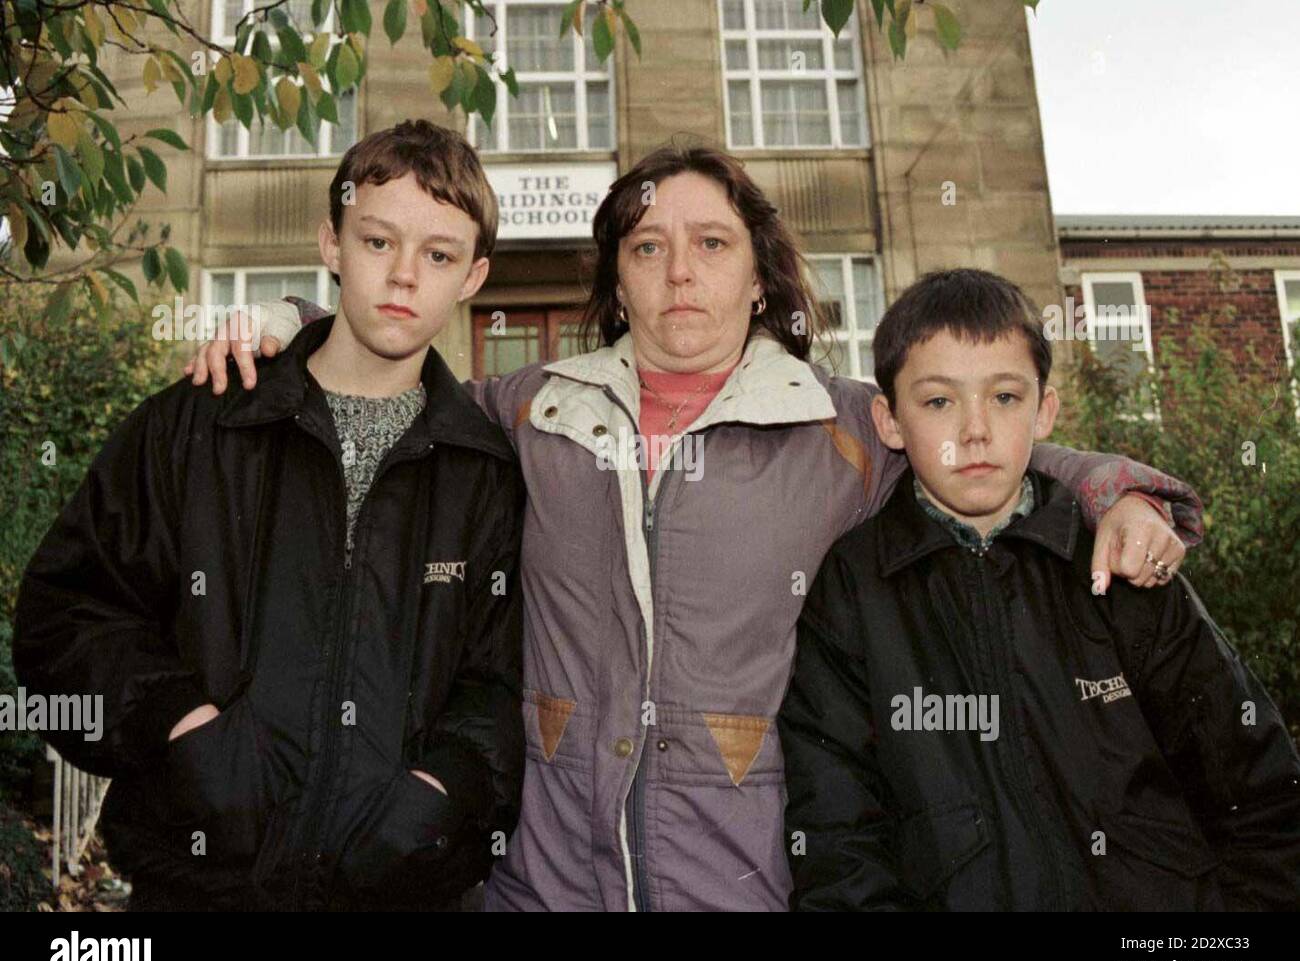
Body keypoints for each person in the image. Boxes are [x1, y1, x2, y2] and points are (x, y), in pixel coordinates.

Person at [187, 143, 1203, 911]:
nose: (680, 273)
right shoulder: (528, 408)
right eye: (647, 247)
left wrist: (1120, 490)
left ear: (756, 272)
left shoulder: (839, 422)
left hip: (744, 876)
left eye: (710, 244)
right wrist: (289, 321)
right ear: (616, 278)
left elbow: (988, 447)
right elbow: (384, 369)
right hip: (540, 884)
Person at [14, 120, 526, 911]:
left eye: (438, 255)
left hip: (395, 892)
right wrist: (181, 725)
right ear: (331, 244)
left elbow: (498, 684)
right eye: (377, 241)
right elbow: (67, 611)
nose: (402, 277)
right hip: (199, 886)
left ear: (473, 277)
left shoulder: (486, 472)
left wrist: (437, 793)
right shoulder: (202, 421)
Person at [778, 268, 1300, 911]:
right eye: (938, 401)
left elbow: (1263, 796)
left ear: (1044, 410)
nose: (975, 430)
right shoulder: (852, 595)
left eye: (1004, 397)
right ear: (889, 420)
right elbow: (838, 848)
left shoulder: (1121, 566)